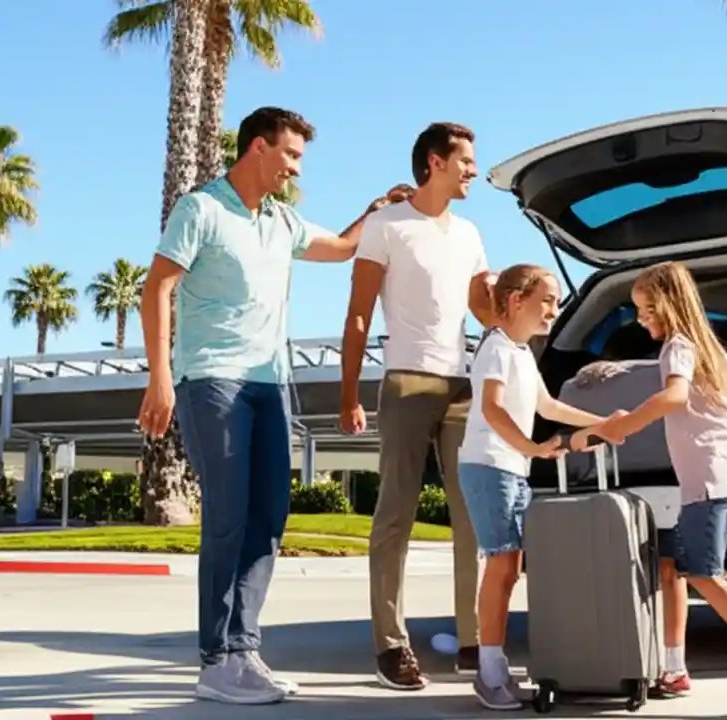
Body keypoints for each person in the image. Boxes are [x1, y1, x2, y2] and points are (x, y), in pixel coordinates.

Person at [136, 106, 415, 706]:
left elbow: (341, 248)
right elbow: (156, 287)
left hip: (270, 383)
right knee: (229, 515)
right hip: (212, 379)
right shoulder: (201, 209)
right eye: (290, 154)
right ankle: (216, 659)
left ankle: (244, 648)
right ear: (257, 148)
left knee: (268, 516)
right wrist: (160, 377)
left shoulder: (280, 220)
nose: (294, 167)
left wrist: (378, 211)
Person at [574, 260, 727, 715]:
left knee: (703, 573)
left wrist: (621, 425)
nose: (640, 318)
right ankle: (675, 667)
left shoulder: (678, 346)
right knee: (675, 568)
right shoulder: (709, 348)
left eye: (645, 308)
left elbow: (674, 397)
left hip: (707, 480)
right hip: (722, 477)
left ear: (667, 303)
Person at [338, 121, 495, 690]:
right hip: (405, 383)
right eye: (466, 161)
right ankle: (390, 645)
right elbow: (358, 315)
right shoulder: (388, 225)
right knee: (396, 515)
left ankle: (476, 643)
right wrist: (349, 392)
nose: (473, 170)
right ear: (435, 162)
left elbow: (486, 310)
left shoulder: (471, 234)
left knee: (470, 515)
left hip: (460, 386)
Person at [457, 264, 623, 710]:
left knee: (510, 566)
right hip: (490, 466)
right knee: (501, 565)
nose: (554, 309)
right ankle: (489, 670)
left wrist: (605, 424)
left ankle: (494, 663)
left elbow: (547, 404)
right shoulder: (494, 347)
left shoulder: (521, 352)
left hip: (510, 468)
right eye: (547, 299)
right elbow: (491, 409)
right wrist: (531, 448)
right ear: (515, 301)